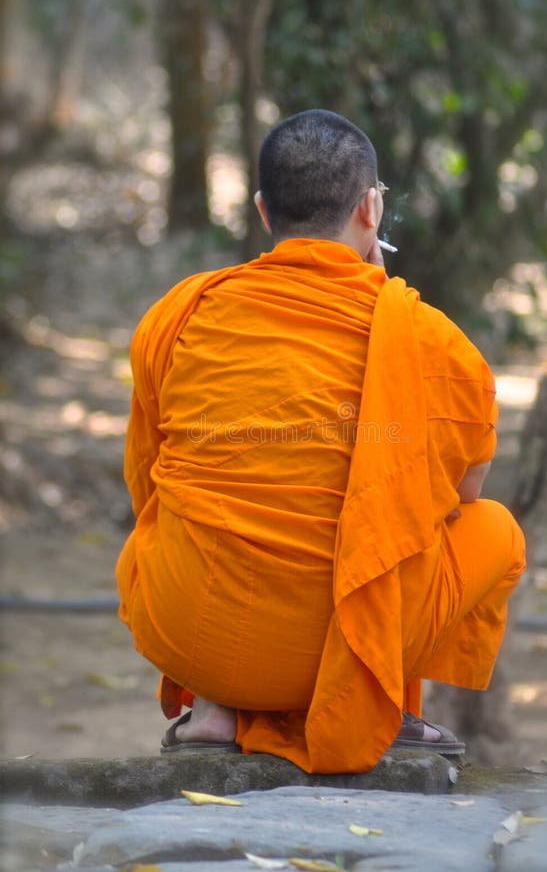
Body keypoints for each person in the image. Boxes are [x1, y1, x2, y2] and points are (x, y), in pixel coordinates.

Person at [116, 109, 526, 774]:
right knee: (495, 530)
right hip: (348, 644)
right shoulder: (432, 342)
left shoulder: (181, 313)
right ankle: (378, 706)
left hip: (194, 631)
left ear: (262, 210)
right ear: (370, 209)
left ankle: (218, 707)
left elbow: (146, 477)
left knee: (165, 525)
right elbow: (459, 495)